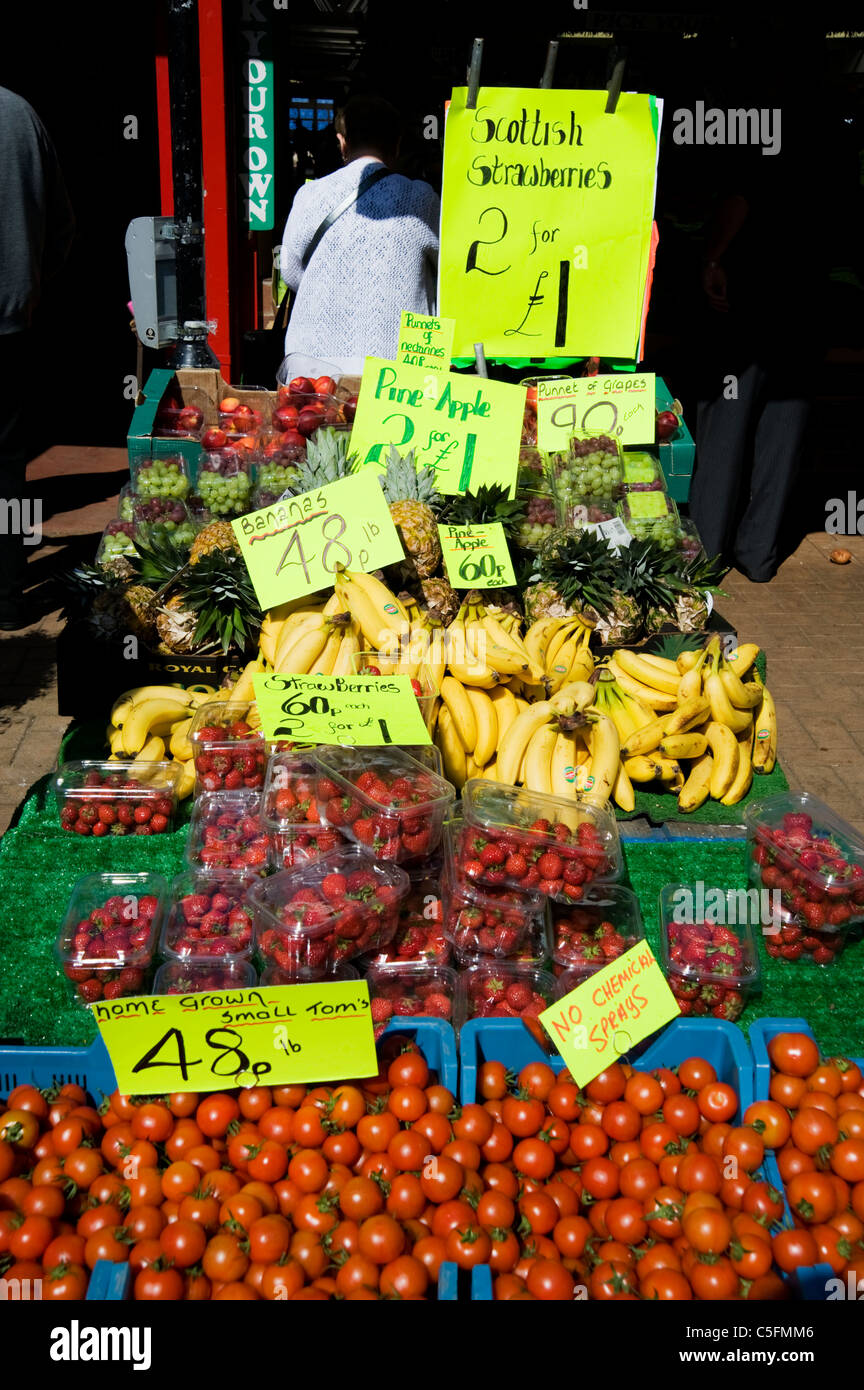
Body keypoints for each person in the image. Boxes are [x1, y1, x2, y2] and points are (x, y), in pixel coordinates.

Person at [687, 32, 831, 582]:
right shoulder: (829, 128)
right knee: (782, 430)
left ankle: (704, 556)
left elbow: (740, 197)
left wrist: (713, 257)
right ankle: (759, 553)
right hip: (807, 301)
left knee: (727, 422)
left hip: (752, 303)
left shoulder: (761, 124)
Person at [279, 95, 439, 372]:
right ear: (397, 143)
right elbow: (448, 272)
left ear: (343, 142)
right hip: (401, 367)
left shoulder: (310, 195)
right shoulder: (420, 198)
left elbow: (291, 273)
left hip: (316, 365)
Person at [0, 85, 74, 629]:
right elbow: (62, 223)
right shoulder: (21, 113)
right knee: (10, 467)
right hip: (10, 322)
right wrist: (29, 283)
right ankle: (8, 590)